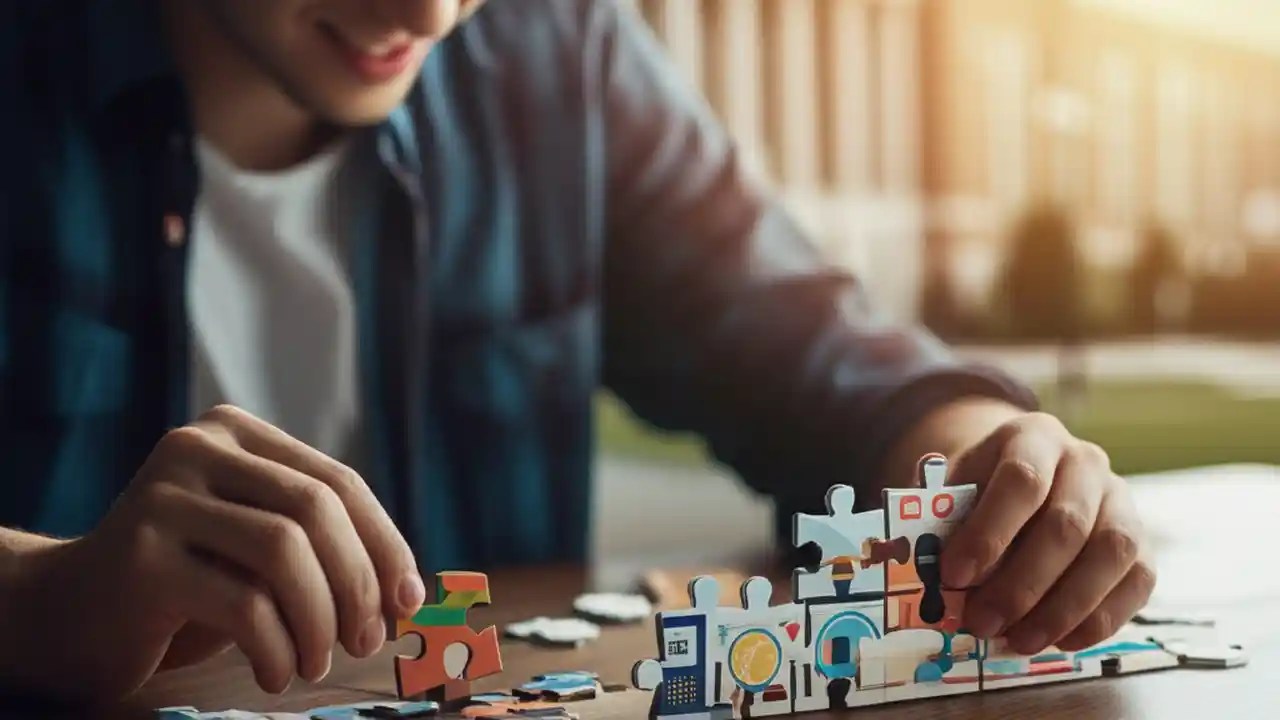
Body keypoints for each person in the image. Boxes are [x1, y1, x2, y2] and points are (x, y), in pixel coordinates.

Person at [0, 0, 1154, 701]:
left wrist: (989, 462)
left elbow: (808, 353)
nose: (434, 9)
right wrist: (41, 600)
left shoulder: (559, 51)